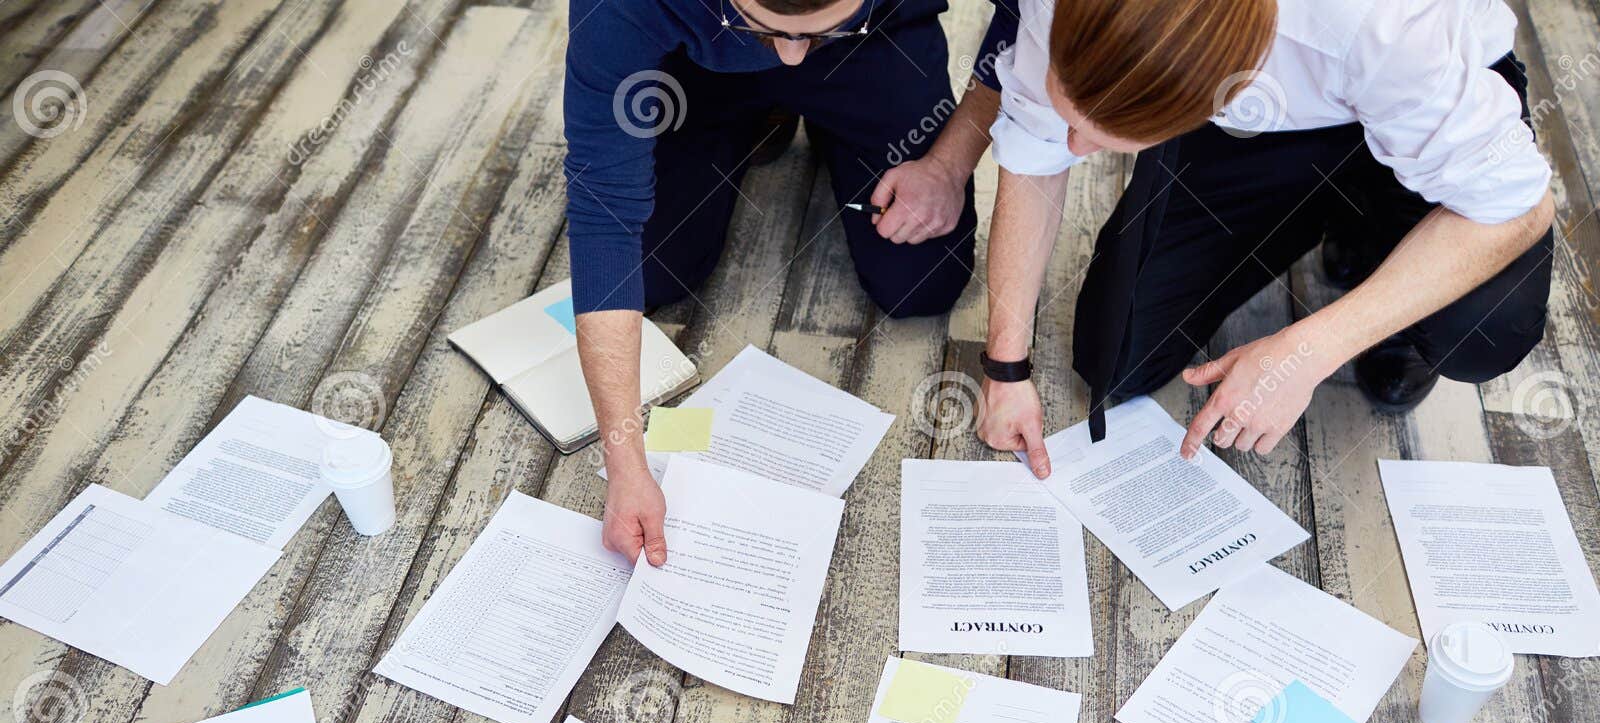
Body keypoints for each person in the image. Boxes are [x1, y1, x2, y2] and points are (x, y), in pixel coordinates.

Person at [976, 0, 1555, 474]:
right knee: (1122, 357)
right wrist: (1006, 367)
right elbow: (1035, 151)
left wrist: (1312, 348)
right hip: (1269, 126)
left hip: (1420, 99)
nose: (1072, 147)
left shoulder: (1386, 26)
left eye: (1100, 136)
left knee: (1484, 325)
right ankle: (1320, 211)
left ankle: (1382, 246)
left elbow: (1521, 210)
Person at [567, 0, 1018, 564]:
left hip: (874, 50)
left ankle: (836, 122)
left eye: (817, 30)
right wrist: (626, 464)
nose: (792, 54)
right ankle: (760, 114)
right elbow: (604, 211)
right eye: (764, 26)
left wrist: (949, 164)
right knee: (652, 271)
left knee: (922, 281)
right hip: (697, 68)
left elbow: (1025, 19)